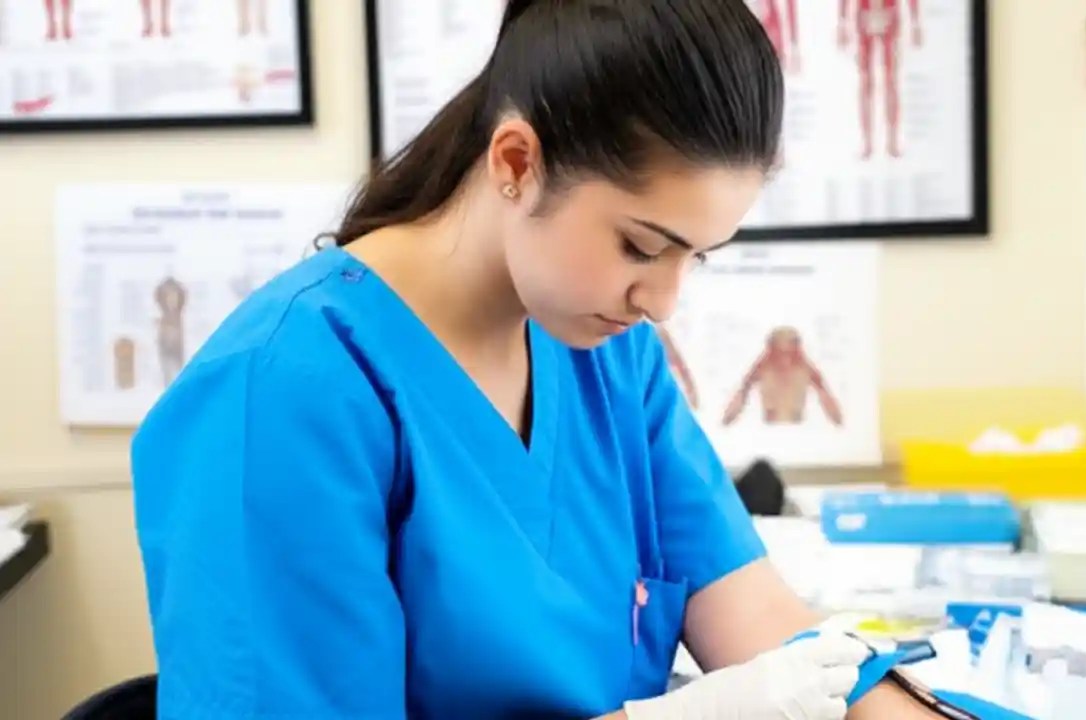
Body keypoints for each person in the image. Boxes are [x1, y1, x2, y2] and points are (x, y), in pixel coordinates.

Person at [131, 1, 947, 718]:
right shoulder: (283, 392)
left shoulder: (608, 356)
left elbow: (759, 617)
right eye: (640, 246)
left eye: (696, 257)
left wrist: (882, 707)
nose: (662, 302)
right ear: (517, 163)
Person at [838, 0, 923, 159]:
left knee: (888, 80)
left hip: (885, 14)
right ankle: (869, 143)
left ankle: (889, 141)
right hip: (868, 15)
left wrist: (915, 21)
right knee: (868, 81)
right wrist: (842, 21)